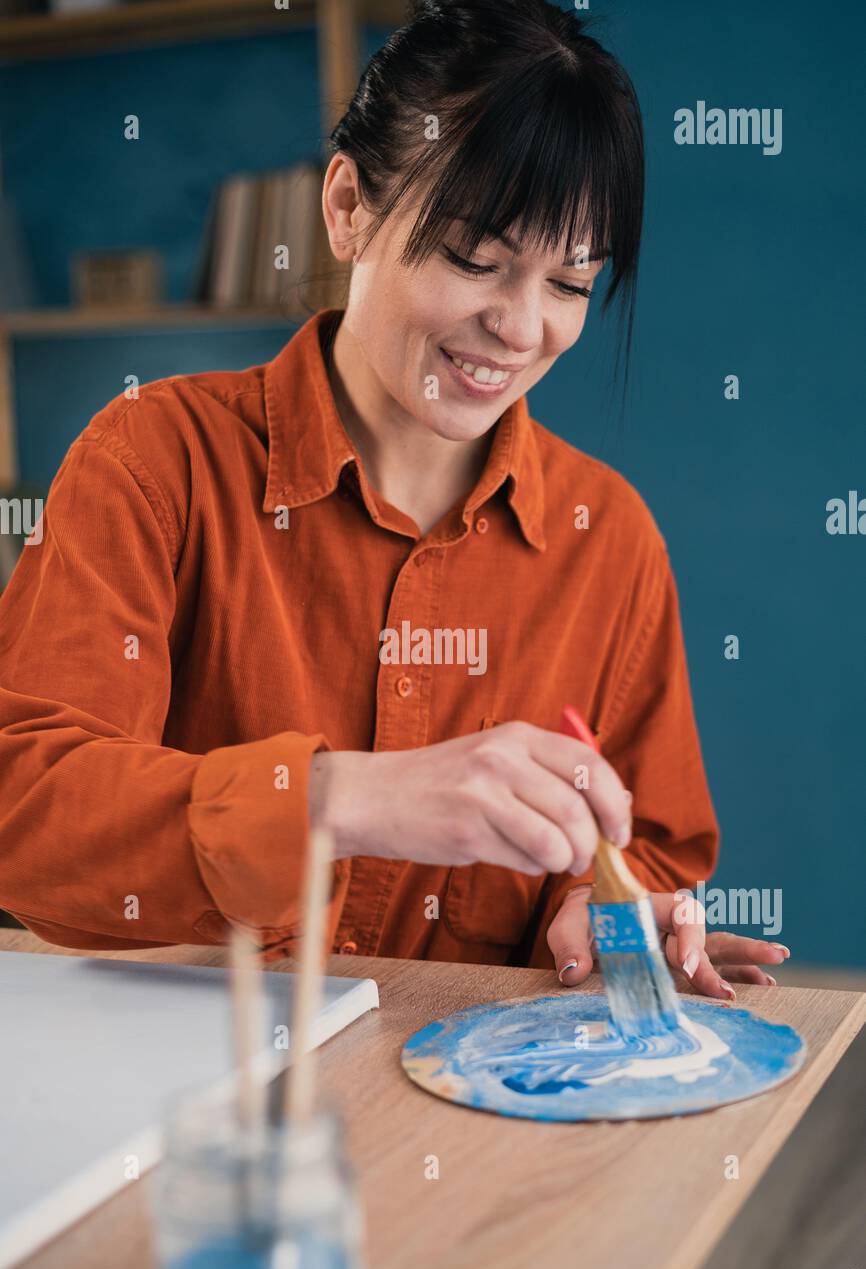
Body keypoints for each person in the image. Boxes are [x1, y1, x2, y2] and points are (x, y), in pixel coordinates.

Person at [0, 0, 788, 996]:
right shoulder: (153, 462)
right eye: (473, 259)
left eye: (569, 283)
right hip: (206, 1107)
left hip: (483, 1115)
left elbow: (651, 847)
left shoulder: (609, 538)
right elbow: (23, 816)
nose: (517, 327)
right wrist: (333, 799)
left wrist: (604, 910)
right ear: (347, 207)